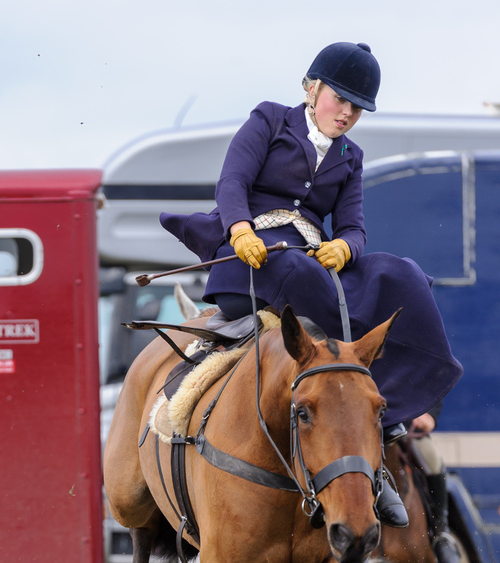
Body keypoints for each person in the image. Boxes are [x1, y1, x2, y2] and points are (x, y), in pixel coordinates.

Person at [160, 41, 463, 528]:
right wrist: (238, 228)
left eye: (357, 107)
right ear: (311, 87)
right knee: (301, 272)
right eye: (339, 100)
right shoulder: (268, 120)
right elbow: (231, 183)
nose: (346, 113)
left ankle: (384, 424)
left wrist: (346, 249)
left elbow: (354, 226)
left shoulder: (351, 156)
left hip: (313, 262)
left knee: (405, 274)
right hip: (251, 260)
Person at [408, 406, 461, 563]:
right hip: (372, 421)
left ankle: (440, 533)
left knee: (433, 461)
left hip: (405, 423)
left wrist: (429, 416)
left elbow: (433, 384)